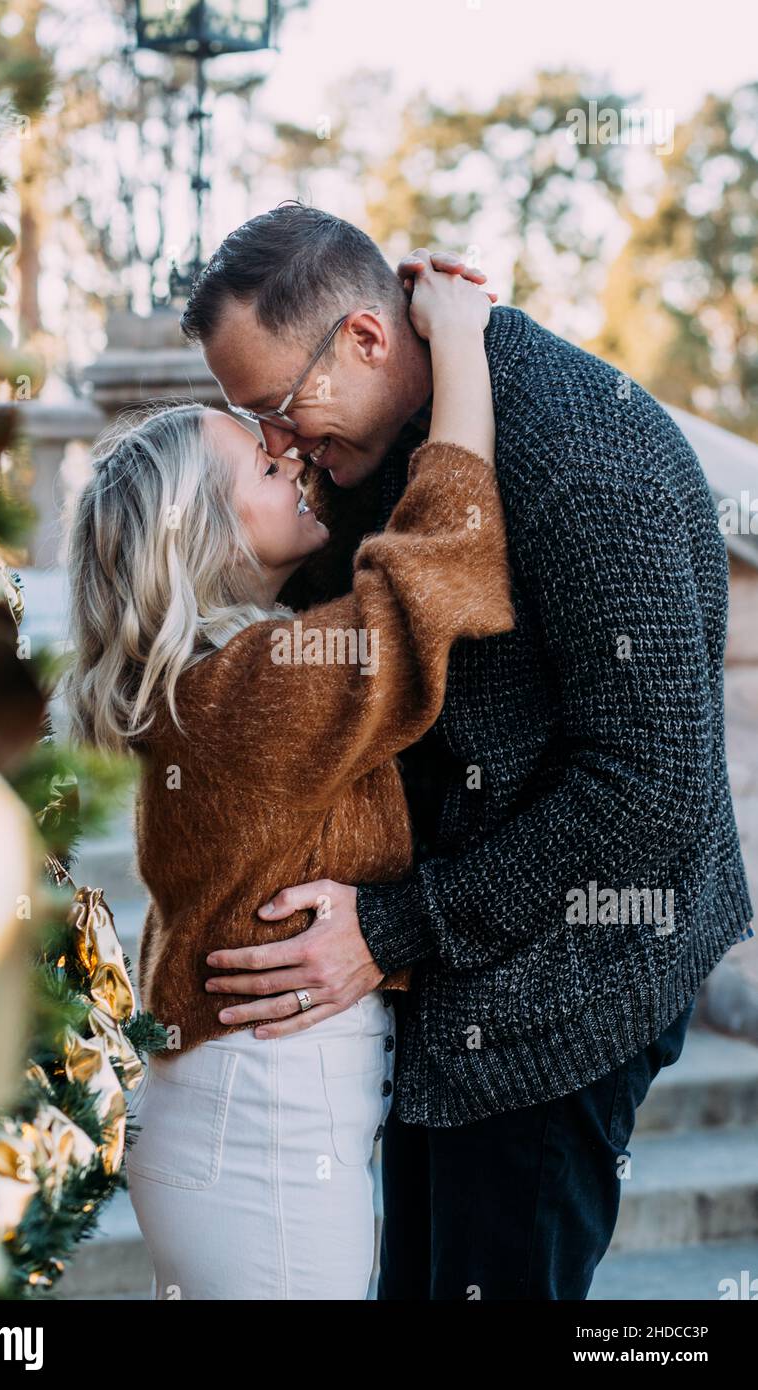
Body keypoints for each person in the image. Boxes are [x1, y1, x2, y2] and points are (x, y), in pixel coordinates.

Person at [182, 202, 754, 1300]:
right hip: (453, 983)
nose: (282, 446)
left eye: (279, 408)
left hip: (565, 990)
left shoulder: (582, 463)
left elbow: (646, 790)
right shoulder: (387, 439)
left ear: (363, 335)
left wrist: (388, 928)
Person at [63, 268, 514, 1299]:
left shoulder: (217, 679)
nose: (294, 460)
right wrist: (459, 350)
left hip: (246, 1114)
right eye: (265, 467)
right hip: (255, 1128)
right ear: (206, 539)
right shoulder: (243, 691)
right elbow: (435, 573)